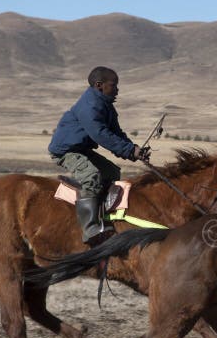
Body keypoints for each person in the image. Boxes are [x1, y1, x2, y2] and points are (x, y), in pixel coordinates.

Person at [49, 66, 149, 244]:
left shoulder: (105, 105)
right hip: (66, 150)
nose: (117, 89)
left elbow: (115, 132)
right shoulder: (90, 106)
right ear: (99, 85)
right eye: (114, 85)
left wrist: (133, 149)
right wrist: (128, 150)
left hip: (81, 148)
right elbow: (100, 134)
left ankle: (103, 215)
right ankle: (90, 228)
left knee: (111, 172)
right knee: (92, 177)